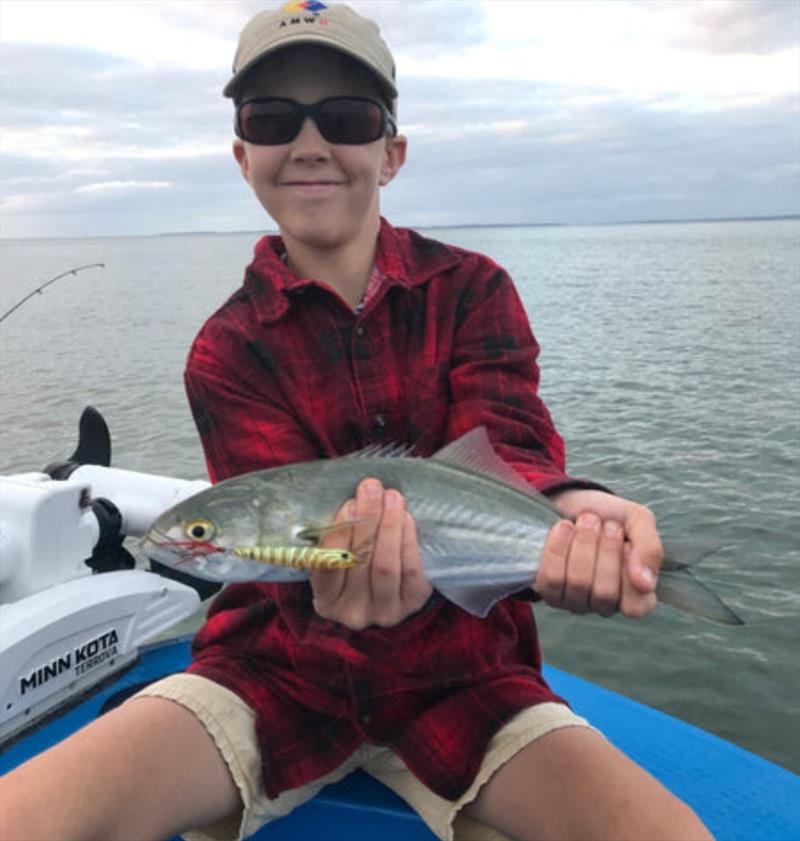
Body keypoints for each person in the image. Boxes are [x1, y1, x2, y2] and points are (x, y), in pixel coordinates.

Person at [0, 4, 713, 841]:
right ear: (243, 155)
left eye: (344, 117)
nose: (309, 143)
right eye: (272, 119)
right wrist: (330, 574)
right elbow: (274, 552)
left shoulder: (473, 289)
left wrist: (573, 508)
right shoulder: (226, 350)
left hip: (469, 681)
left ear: (391, 151)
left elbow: (508, 447)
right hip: (273, 673)